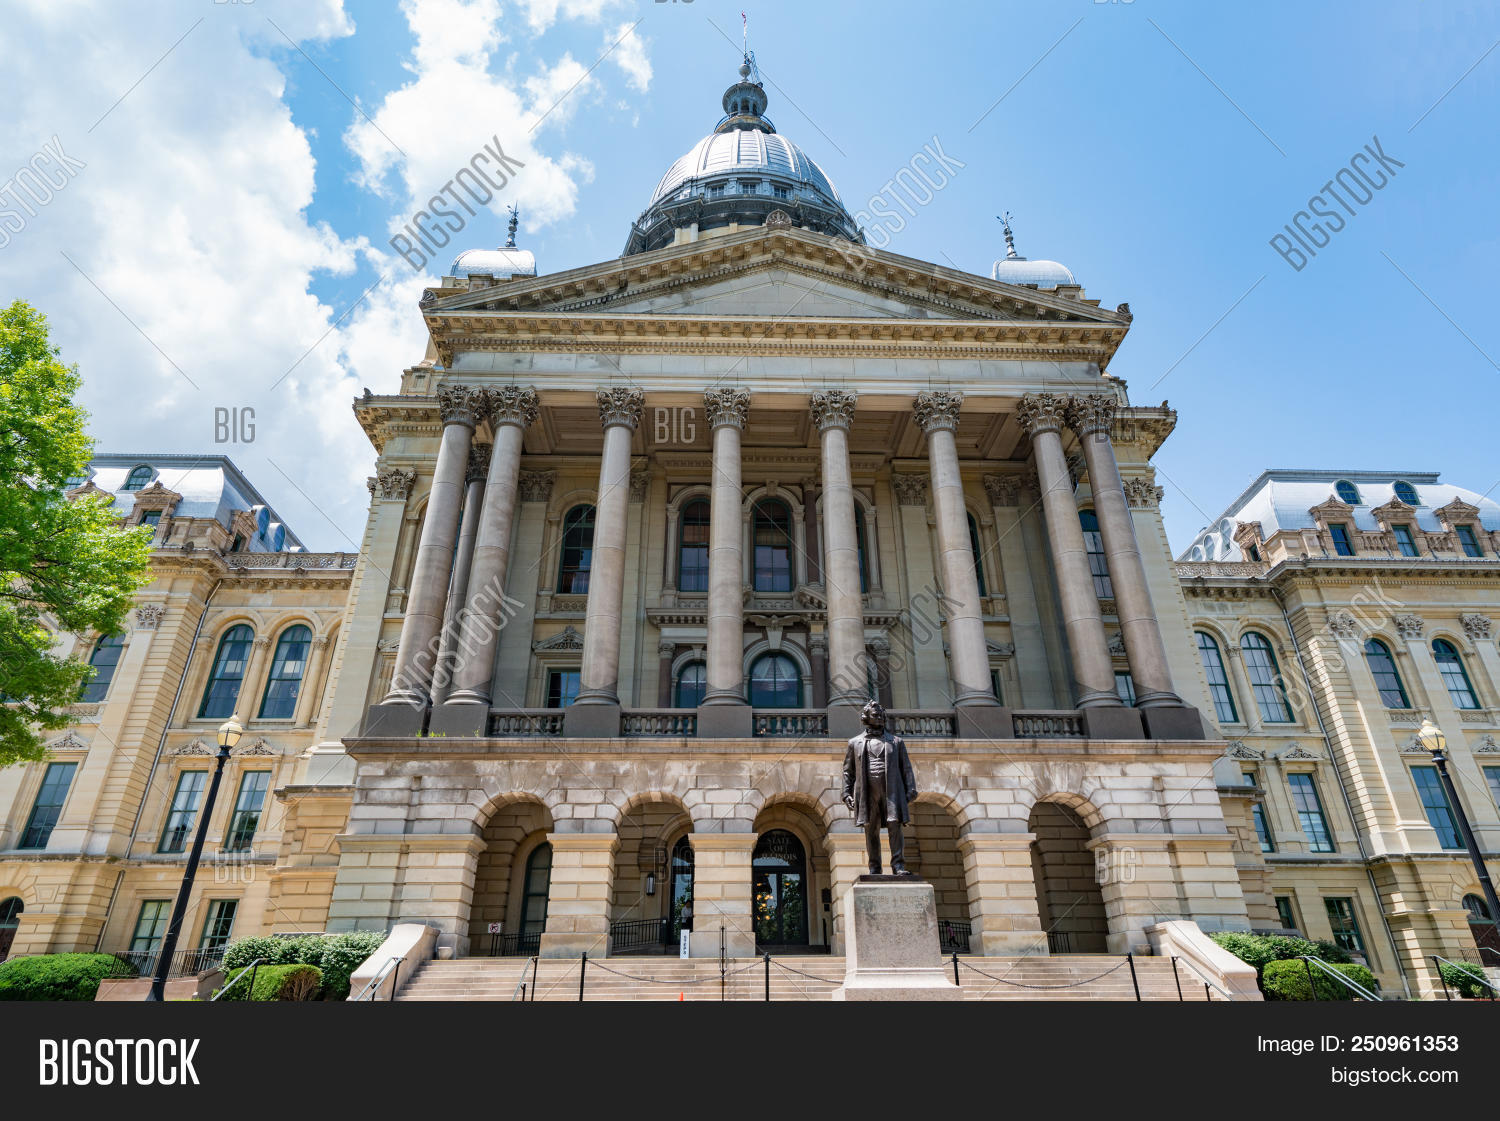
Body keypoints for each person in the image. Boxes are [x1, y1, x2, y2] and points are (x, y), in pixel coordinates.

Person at [841, 700, 918, 875]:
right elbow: (848, 771)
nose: (880, 718)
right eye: (875, 715)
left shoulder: (896, 742)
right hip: (867, 792)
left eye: (882, 715)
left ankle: (898, 866)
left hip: (891, 790)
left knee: (894, 826)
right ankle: (874, 868)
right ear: (866, 717)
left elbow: (906, 767)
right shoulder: (855, 743)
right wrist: (846, 793)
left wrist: (910, 789)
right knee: (871, 829)